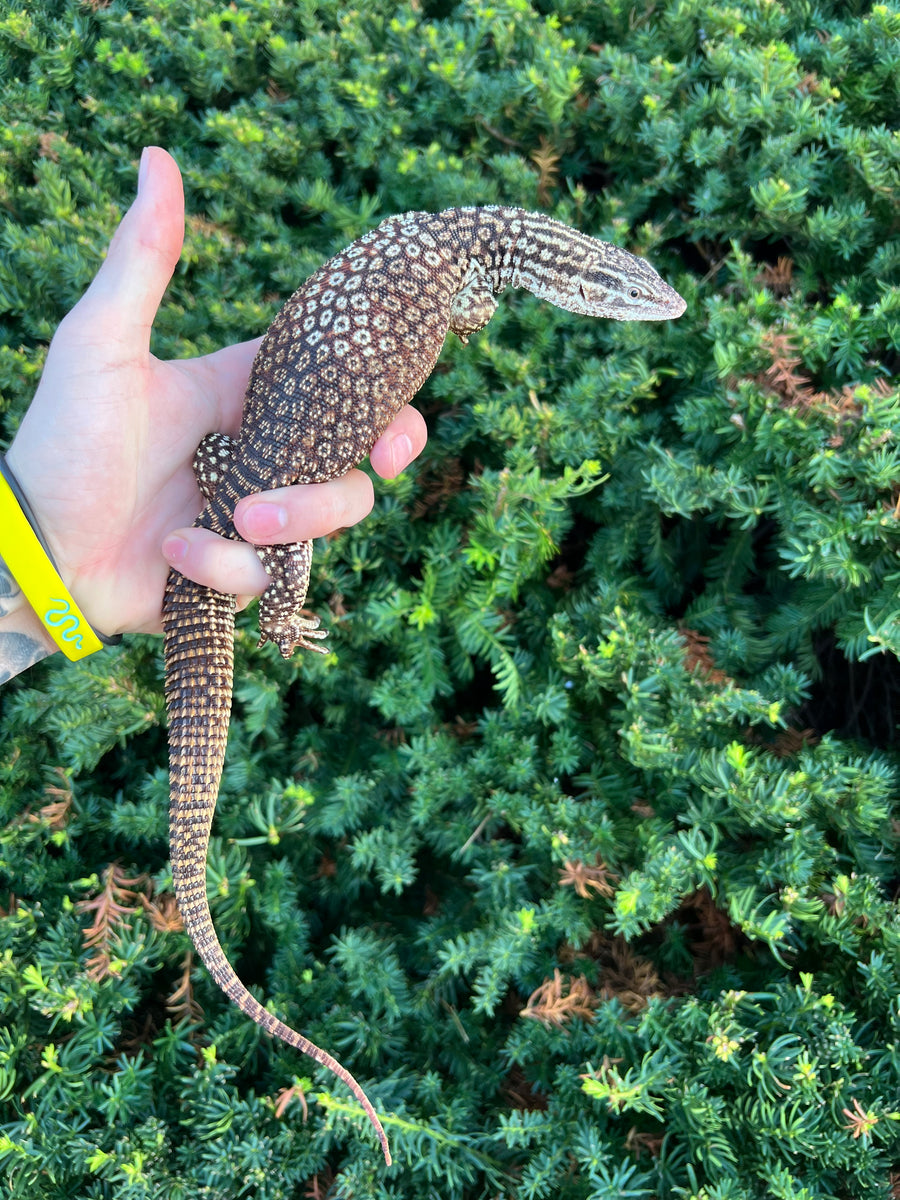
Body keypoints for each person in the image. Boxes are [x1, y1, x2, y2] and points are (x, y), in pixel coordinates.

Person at [0, 148, 427, 683]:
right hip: (236, 467)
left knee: (281, 528)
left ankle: (279, 615)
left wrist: (55, 572)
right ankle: (279, 618)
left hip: (229, 464)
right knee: (280, 530)